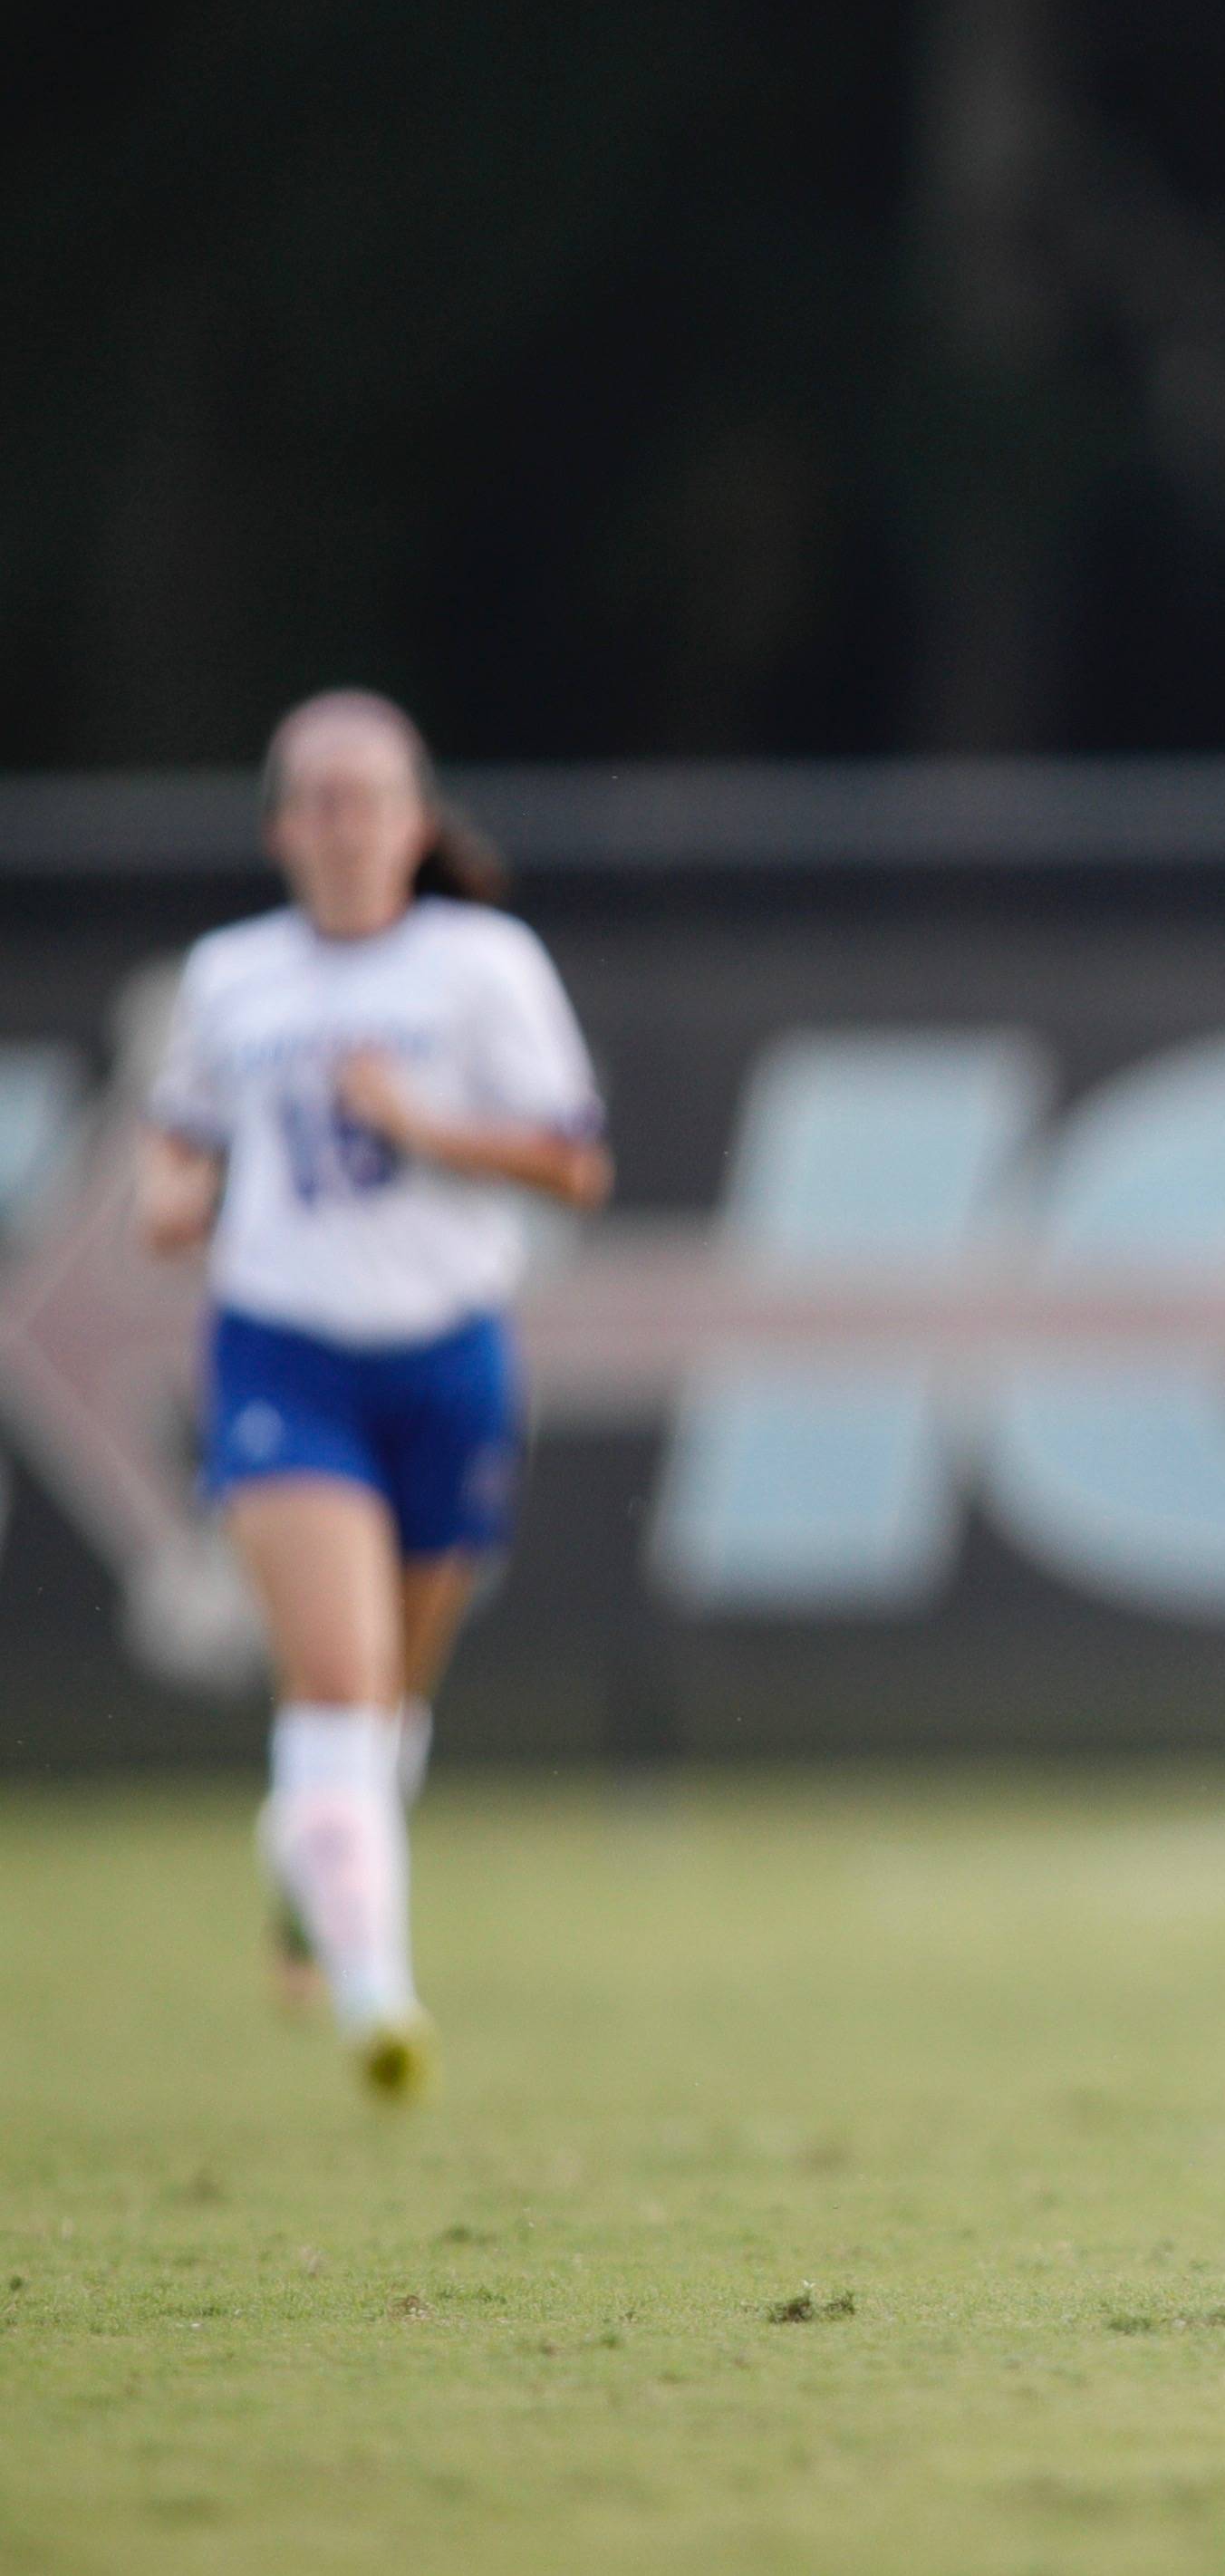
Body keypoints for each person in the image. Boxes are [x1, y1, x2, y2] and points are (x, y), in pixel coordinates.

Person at [134, 690, 610, 2102]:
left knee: (391, 1701)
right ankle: (376, 1999)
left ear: (416, 820)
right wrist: (174, 1200)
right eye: (318, 800)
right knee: (336, 1680)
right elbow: (176, 1151)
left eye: (370, 798)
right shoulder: (232, 978)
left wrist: (421, 1124)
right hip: (286, 1348)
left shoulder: (482, 965)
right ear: (282, 826)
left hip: (447, 1353)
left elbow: (574, 1164)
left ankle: (312, 1861)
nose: (344, 826)